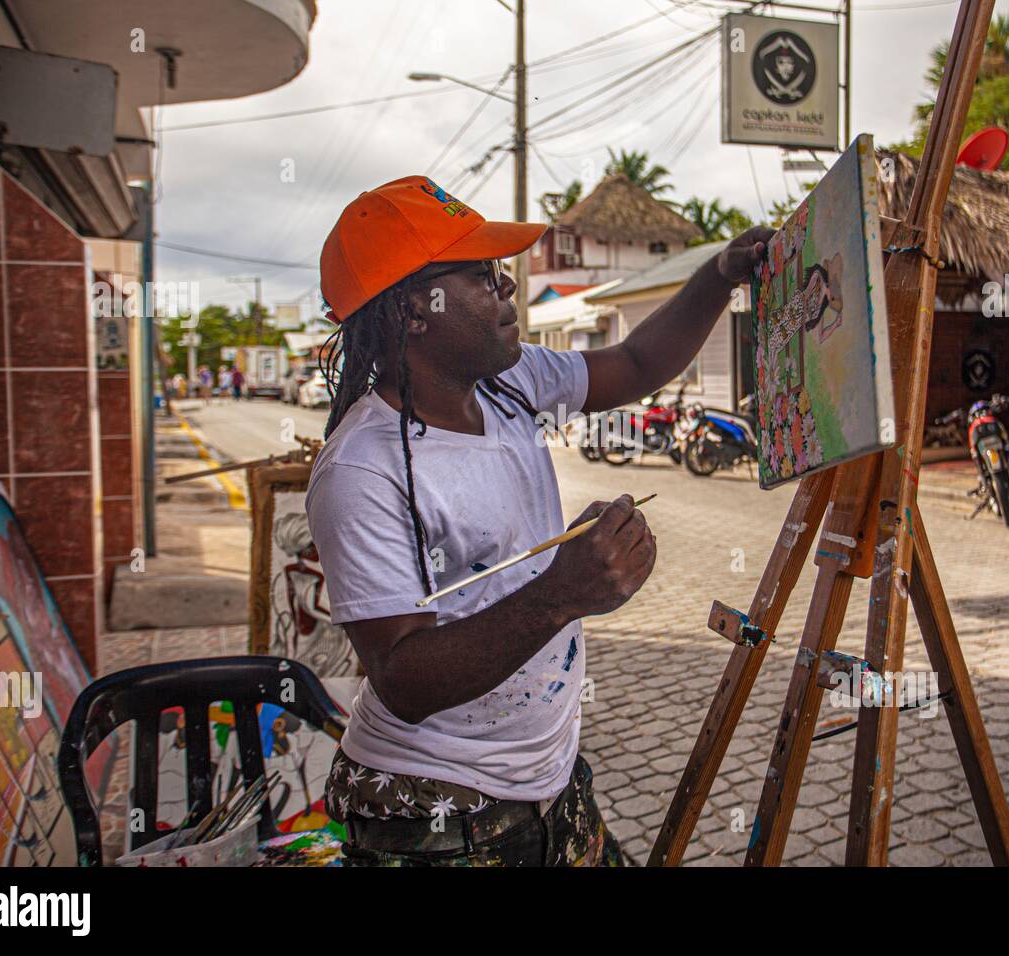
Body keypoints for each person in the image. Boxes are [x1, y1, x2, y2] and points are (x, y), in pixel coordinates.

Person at [305, 175, 770, 866]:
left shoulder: (510, 383)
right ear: (412, 310)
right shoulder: (362, 470)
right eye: (483, 275)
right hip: (434, 814)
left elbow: (637, 362)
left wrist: (721, 274)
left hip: (549, 785)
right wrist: (559, 594)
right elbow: (401, 680)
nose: (509, 288)